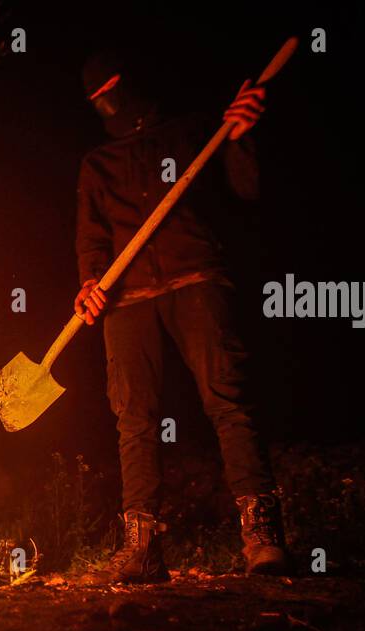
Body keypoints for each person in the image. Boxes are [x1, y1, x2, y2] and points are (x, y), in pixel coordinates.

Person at [73, 51, 290, 584]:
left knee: (228, 399)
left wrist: (238, 135)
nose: (110, 102)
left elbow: (247, 189)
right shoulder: (96, 165)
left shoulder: (192, 132)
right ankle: (142, 549)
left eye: (116, 88)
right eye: (98, 97)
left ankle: (262, 535)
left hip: (196, 278)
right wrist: (89, 283)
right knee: (133, 418)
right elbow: (92, 240)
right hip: (124, 299)